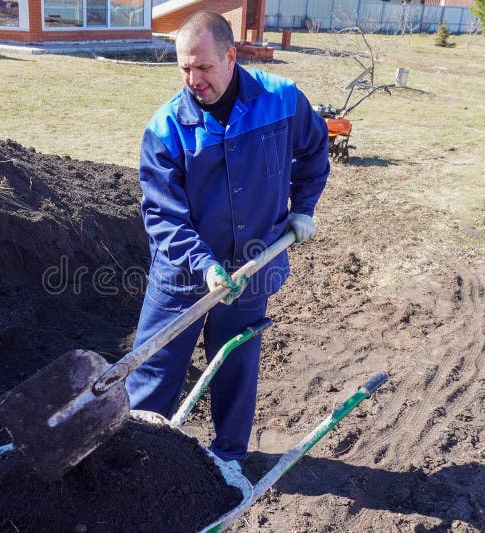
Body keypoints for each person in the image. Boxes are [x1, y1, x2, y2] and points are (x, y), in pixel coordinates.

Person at [125, 10, 330, 469]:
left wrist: (303, 208)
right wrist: (204, 264)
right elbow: (163, 216)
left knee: (235, 365)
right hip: (183, 274)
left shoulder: (282, 101)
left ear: (231, 56)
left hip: (251, 268)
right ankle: (133, 460)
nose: (193, 79)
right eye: (184, 68)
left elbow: (315, 150)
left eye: (203, 67)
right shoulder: (166, 129)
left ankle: (228, 459)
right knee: (153, 371)